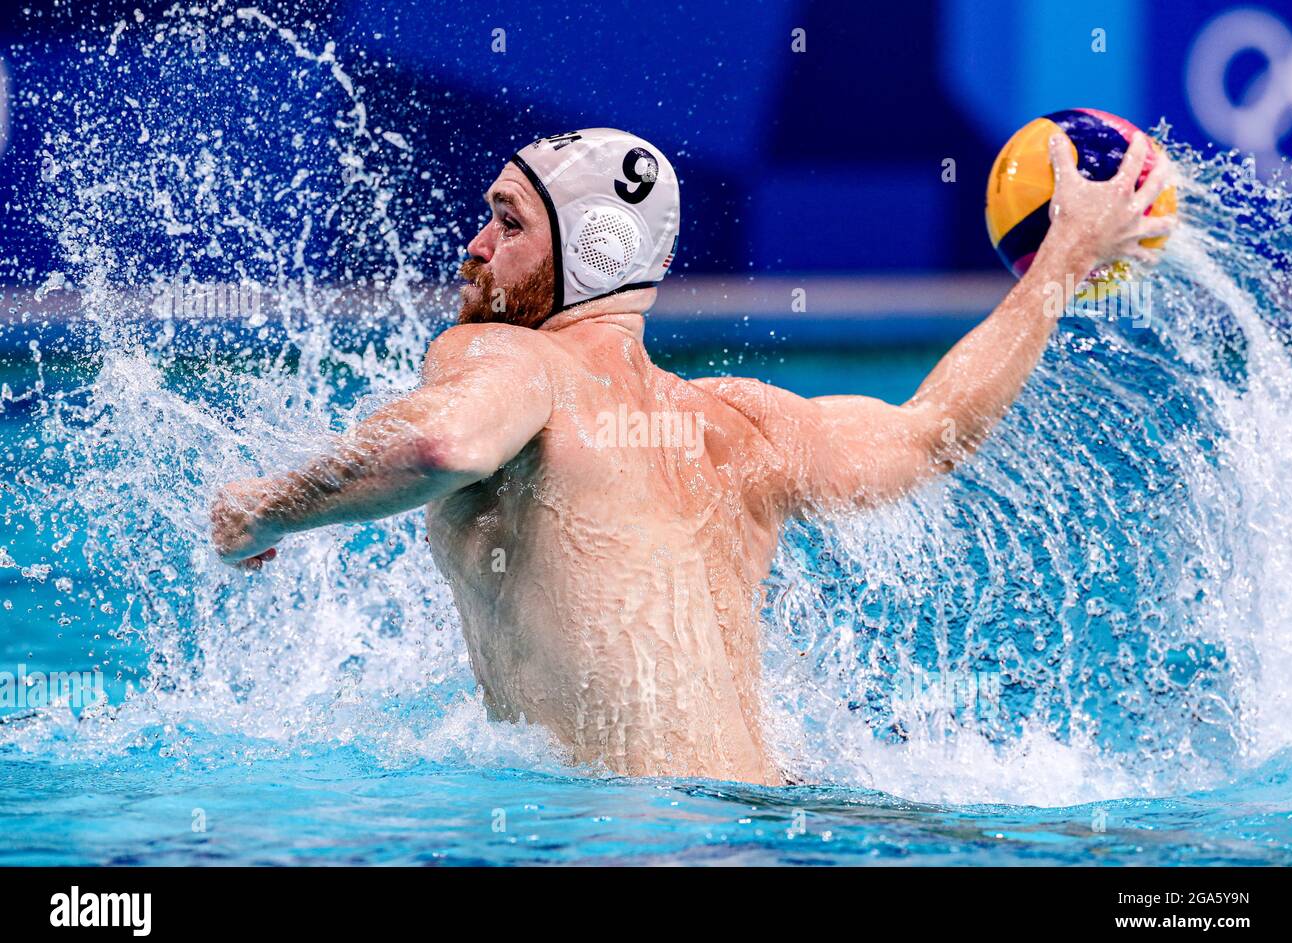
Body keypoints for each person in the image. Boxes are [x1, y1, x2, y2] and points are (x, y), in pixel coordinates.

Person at [210, 127, 1173, 785]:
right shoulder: (739, 424)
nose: (475, 247)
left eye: (508, 222)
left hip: (638, 837)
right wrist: (1064, 262)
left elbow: (437, 440)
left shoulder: (509, 356)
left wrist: (265, 508)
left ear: (587, 251)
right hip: (790, 817)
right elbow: (934, 432)